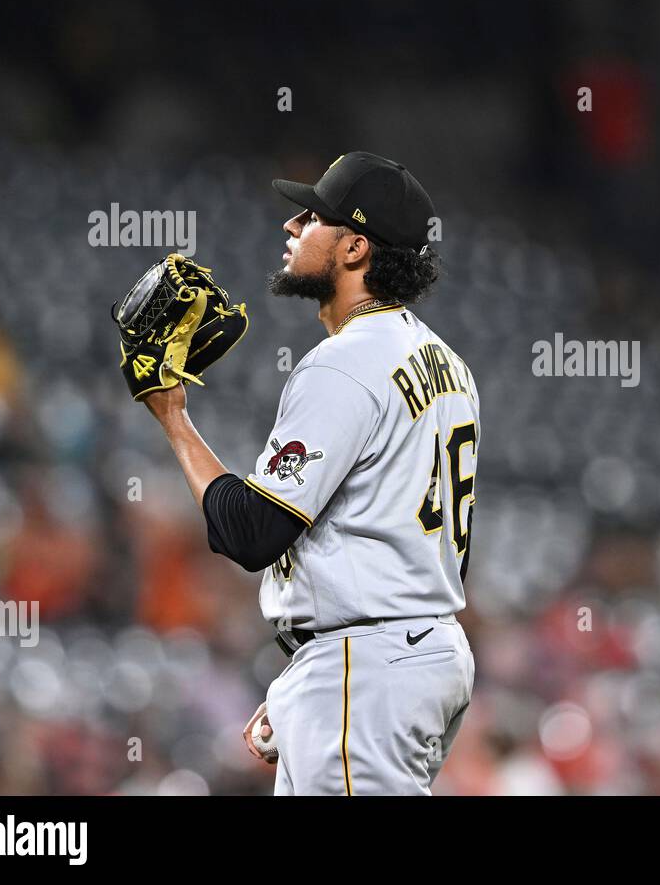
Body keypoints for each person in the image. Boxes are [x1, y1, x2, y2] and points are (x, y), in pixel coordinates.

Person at [142, 152, 479, 795]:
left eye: (312, 215)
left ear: (355, 247)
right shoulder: (448, 364)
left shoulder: (344, 363)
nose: (291, 227)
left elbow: (251, 534)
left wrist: (173, 416)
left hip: (367, 667)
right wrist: (312, 683)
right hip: (408, 658)